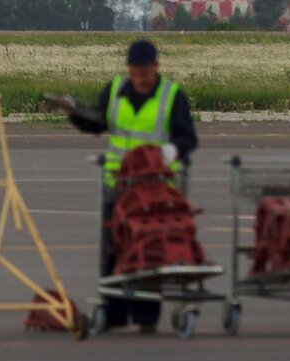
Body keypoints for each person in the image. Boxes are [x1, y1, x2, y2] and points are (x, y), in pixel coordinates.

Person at [66, 39, 197, 333]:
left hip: (157, 189)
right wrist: (73, 112)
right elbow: (98, 122)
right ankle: (113, 315)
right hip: (118, 186)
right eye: (135, 74)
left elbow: (188, 138)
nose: (139, 80)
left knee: (149, 249)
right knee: (113, 249)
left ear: (156, 68)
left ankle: (146, 317)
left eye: (145, 74)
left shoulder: (172, 96)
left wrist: (171, 152)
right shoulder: (115, 91)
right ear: (129, 69)